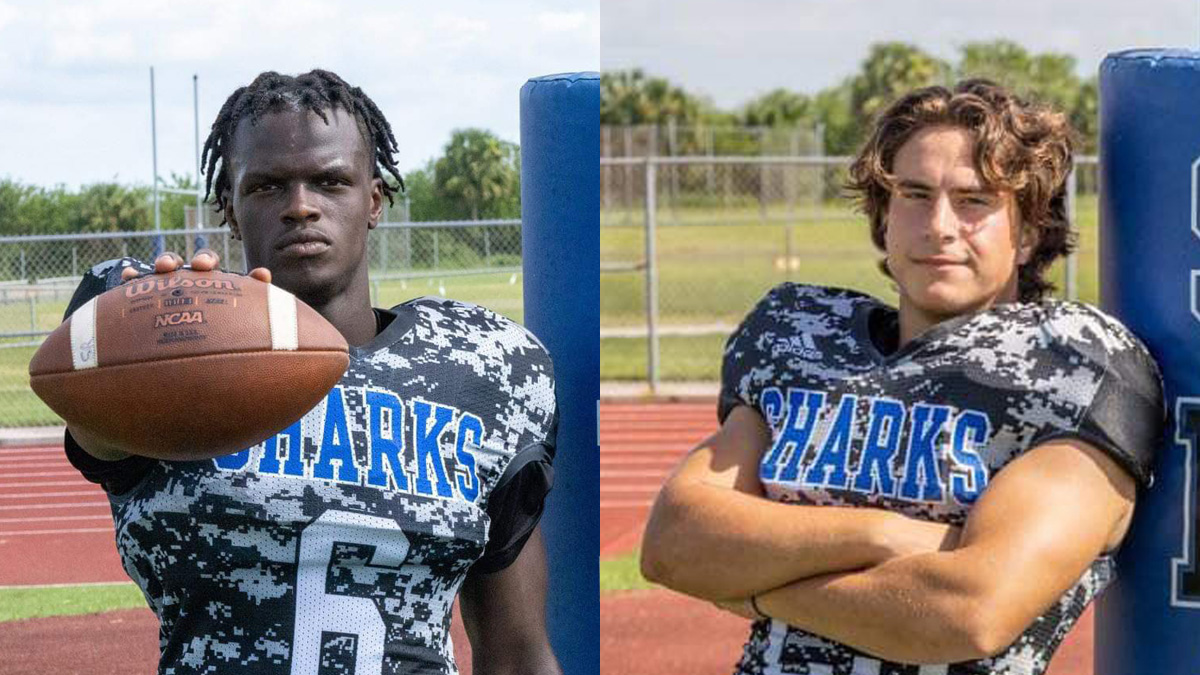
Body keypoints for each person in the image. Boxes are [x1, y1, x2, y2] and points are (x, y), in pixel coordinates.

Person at [640, 79, 1165, 674]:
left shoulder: (1073, 365)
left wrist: (758, 594)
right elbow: (674, 542)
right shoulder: (802, 338)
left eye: (974, 201)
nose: (939, 225)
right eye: (915, 194)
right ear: (883, 217)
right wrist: (882, 535)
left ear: (1026, 233)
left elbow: (968, 613)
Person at [61, 70, 560, 675]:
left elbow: (517, 650)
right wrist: (151, 331)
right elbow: (96, 434)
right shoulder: (177, 362)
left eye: (330, 181)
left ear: (373, 200)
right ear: (230, 210)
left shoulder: (481, 370)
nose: (300, 206)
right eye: (267, 186)